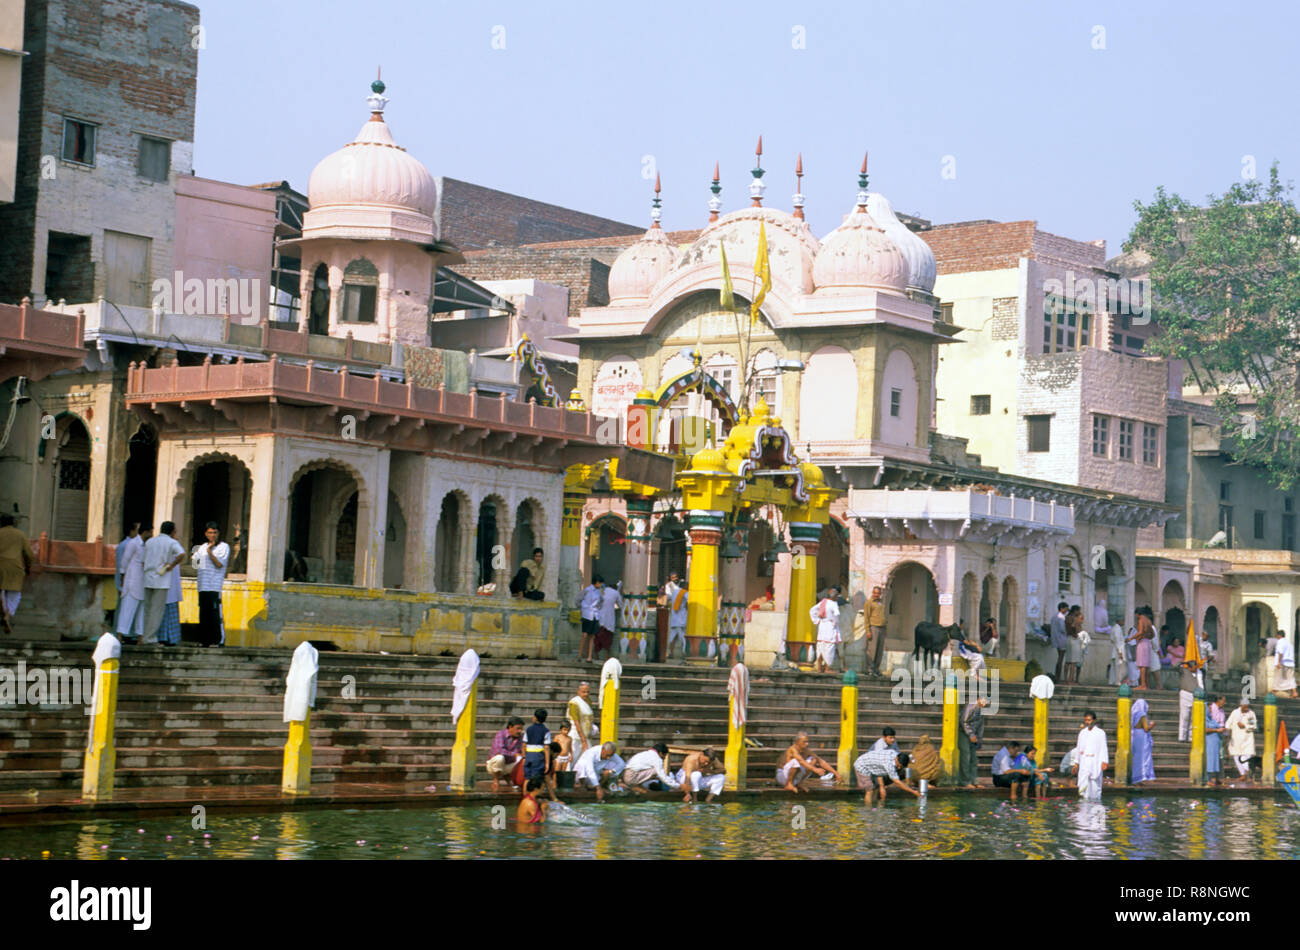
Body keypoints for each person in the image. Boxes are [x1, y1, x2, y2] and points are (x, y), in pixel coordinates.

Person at [141, 521, 185, 645]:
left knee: (147, 609)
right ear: (172, 532)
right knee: (157, 610)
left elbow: (143, 560)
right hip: (161, 579)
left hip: (148, 578)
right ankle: (150, 638)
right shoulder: (171, 542)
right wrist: (172, 565)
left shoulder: (150, 541)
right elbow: (181, 554)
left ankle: (145, 636)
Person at [194, 522, 229, 648]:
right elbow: (196, 566)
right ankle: (204, 640)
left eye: (215, 532)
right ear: (205, 534)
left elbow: (219, 564)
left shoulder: (224, 547)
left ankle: (218, 640)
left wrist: (209, 551)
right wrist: (200, 552)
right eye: (210, 532)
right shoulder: (200, 547)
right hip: (203, 585)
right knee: (204, 614)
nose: (212, 535)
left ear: (218, 533)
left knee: (215, 614)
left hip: (214, 586)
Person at [115, 524, 151, 644]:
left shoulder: (148, 545)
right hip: (132, 581)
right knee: (127, 609)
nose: (151, 534)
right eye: (150, 531)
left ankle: (140, 637)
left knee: (142, 611)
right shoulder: (133, 543)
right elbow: (124, 561)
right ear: (145, 532)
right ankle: (120, 635)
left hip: (143, 581)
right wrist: (123, 577)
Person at [0, 514, 34, 637]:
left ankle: (3, 613)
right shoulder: (20, 535)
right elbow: (29, 554)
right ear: (12, 523)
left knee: (2, 593)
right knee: (14, 595)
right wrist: (29, 567)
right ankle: (8, 616)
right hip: (15, 568)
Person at [854, 748, 920, 803]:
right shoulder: (889, 764)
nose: (899, 768)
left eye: (901, 766)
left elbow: (909, 758)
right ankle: (868, 810)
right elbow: (897, 782)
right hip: (862, 766)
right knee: (870, 790)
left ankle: (874, 805)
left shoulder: (895, 754)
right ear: (896, 759)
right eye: (898, 765)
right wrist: (913, 792)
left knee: (876, 787)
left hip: (872, 766)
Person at [1071, 710, 1109, 799]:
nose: (1087, 722)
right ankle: (1083, 807)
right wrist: (1076, 764)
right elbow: (1079, 748)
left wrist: (1104, 761)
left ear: (1094, 720)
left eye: (1089, 720)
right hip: (1084, 762)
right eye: (1086, 720)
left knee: (1095, 786)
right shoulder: (1082, 733)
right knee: (1083, 787)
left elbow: (1104, 747)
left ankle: (1095, 806)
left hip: (1095, 762)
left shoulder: (1100, 733)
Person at [486, 717, 526, 792]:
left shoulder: (521, 738)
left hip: (508, 764)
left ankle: (508, 776)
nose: (520, 731)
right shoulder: (501, 734)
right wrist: (514, 754)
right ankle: (496, 779)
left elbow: (521, 752)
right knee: (500, 758)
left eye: (521, 729)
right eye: (518, 728)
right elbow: (499, 750)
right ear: (510, 727)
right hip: (493, 765)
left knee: (522, 761)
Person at [957, 696, 988, 788]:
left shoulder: (981, 710)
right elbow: (964, 721)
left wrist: (979, 739)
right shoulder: (971, 707)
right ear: (979, 699)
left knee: (974, 759)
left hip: (974, 736)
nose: (985, 703)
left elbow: (980, 726)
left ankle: (974, 781)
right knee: (965, 757)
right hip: (964, 733)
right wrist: (971, 734)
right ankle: (965, 781)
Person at [1225, 698, 1257, 783]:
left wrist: (1245, 726)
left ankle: (1247, 774)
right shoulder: (1235, 713)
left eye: (1248, 706)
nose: (1247, 708)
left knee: (1247, 756)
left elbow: (1253, 726)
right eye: (1245, 707)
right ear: (1241, 706)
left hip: (1247, 739)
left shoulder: (1250, 714)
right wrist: (1227, 731)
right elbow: (1228, 723)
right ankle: (1243, 774)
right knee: (1236, 756)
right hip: (1236, 739)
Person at [812, 586, 841, 674]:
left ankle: (820, 668)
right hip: (830, 627)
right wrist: (835, 623)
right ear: (834, 596)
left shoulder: (823, 602)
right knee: (829, 648)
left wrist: (816, 621)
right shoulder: (833, 604)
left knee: (821, 646)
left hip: (822, 626)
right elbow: (837, 615)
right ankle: (828, 668)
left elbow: (812, 610)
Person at [566, 682, 596, 762]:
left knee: (587, 757)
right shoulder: (574, 703)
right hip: (576, 734)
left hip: (586, 735)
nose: (586, 694)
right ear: (578, 691)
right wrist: (583, 740)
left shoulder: (588, 701)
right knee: (573, 757)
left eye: (588, 692)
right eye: (583, 692)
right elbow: (576, 721)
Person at [577, 575, 604, 663]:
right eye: (600, 583)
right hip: (587, 614)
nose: (601, 585)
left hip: (595, 615)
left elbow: (601, 602)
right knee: (584, 635)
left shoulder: (599, 592)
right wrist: (583, 609)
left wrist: (598, 609)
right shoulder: (587, 590)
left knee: (592, 636)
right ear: (597, 582)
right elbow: (578, 600)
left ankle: (589, 657)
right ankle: (579, 655)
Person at [862, 585, 887, 676]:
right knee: (872, 650)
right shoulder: (869, 603)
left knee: (879, 651)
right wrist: (868, 631)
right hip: (873, 628)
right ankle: (870, 669)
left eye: (878, 593)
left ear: (880, 594)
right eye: (875, 593)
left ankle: (876, 669)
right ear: (872, 593)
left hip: (882, 628)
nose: (876, 595)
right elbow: (866, 618)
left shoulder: (881, 603)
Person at [1130, 697, 1155, 786]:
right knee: (1142, 758)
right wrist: (1152, 725)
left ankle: (1136, 778)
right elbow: (1146, 728)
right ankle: (1141, 777)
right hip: (1142, 737)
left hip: (1135, 735)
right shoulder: (1142, 714)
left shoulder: (1134, 714)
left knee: (1136, 758)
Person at [523, 708, 551, 784]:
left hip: (528, 755)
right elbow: (546, 747)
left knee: (527, 778)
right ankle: (533, 795)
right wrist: (547, 763)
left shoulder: (528, 729)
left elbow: (524, 744)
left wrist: (524, 757)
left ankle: (526, 795)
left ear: (535, 718)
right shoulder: (546, 731)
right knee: (536, 779)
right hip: (538, 756)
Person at [1177, 660, 1202, 742]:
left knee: (1193, 718)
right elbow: (1176, 666)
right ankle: (1182, 737)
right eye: (1194, 667)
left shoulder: (1199, 673)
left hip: (1195, 696)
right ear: (1190, 667)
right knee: (1184, 716)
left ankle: (1191, 737)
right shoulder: (1184, 671)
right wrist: (1185, 663)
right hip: (1185, 694)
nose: (1196, 668)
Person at [596, 581, 620, 661]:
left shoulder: (601, 591)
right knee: (607, 639)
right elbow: (621, 605)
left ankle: (596, 656)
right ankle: (606, 657)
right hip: (609, 619)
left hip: (599, 617)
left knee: (598, 638)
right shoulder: (616, 593)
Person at [1205, 695, 1227, 786]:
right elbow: (1205, 729)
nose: (1211, 710)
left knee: (1217, 760)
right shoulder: (1204, 719)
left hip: (1217, 741)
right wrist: (1216, 730)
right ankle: (1208, 779)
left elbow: (1219, 725)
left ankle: (1217, 778)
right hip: (1209, 742)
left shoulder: (1211, 720)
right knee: (1209, 761)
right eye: (1209, 708)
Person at [666, 577, 688, 660]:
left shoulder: (675, 591)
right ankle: (684, 653)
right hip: (681, 620)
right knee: (683, 638)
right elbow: (690, 601)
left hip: (674, 619)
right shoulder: (685, 593)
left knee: (673, 638)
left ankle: (670, 653)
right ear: (685, 586)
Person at [1133, 608, 1155, 690]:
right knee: (1146, 665)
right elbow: (1153, 634)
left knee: (1142, 665)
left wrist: (1131, 638)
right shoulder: (1148, 621)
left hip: (1142, 643)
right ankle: (1146, 685)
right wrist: (1147, 637)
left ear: (1138, 614)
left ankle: (1143, 685)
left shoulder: (1141, 620)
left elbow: (1140, 632)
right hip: (1147, 642)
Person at [1273, 630, 1297, 698]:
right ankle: (1294, 692)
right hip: (1290, 663)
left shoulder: (1280, 642)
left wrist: (1279, 662)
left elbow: (1280, 652)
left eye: (1277, 635)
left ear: (1279, 635)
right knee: (1291, 678)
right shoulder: (1289, 643)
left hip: (1283, 663)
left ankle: (1274, 691)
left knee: (1277, 677)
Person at [1064, 605, 1084, 684]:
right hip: (1073, 638)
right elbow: (1072, 626)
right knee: (1073, 661)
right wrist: (1074, 634)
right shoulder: (1072, 618)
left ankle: (1066, 679)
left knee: (1068, 660)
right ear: (1075, 611)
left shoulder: (1067, 617)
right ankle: (1070, 679)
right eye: (1078, 611)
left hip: (1068, 638)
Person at [1050, 602, 1069, 681]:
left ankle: (1057, 676)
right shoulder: (1061, 617)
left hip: (1056, 639)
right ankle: (1058, 677)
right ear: (1062, 608)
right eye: (1066, 609)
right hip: (1061, 639)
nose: (1066, 611)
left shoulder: (1054, 616)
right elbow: (1062, 629)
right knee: (1060, 659)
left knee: (1059, 658)